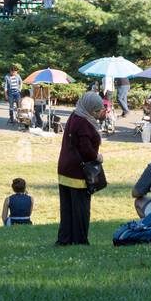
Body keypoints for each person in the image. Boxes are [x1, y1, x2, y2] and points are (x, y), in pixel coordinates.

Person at [56, 91, 106, 246]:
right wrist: (97, 157)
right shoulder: (83, 123)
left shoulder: (75, 116)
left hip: (65, 168)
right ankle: (79, 240)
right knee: (81, 209)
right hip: (77, 171)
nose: (98, 114)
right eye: (96, 111)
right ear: (90, 108)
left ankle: (65, 239)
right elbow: (85, 149)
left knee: (67, 209)